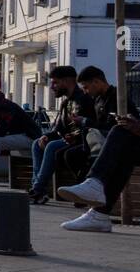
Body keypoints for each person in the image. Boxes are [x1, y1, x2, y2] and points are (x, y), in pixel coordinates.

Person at [58, 44, 140, 232]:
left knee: (121, 135)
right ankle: (99, 213)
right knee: (122, 133)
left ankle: (95, 187)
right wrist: (138, 124)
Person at [28, 66, 93, 204]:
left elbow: (88, 126)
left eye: (55, 83)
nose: (52, 87)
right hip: (68, 139)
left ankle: (37, 189)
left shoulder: (84, 99)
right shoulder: (65, 103)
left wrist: (71, 137)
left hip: (81, 141)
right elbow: (59, 129)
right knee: (37, 143)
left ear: (67, 81)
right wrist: (47, 136)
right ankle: (39, 189)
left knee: (52, 146)